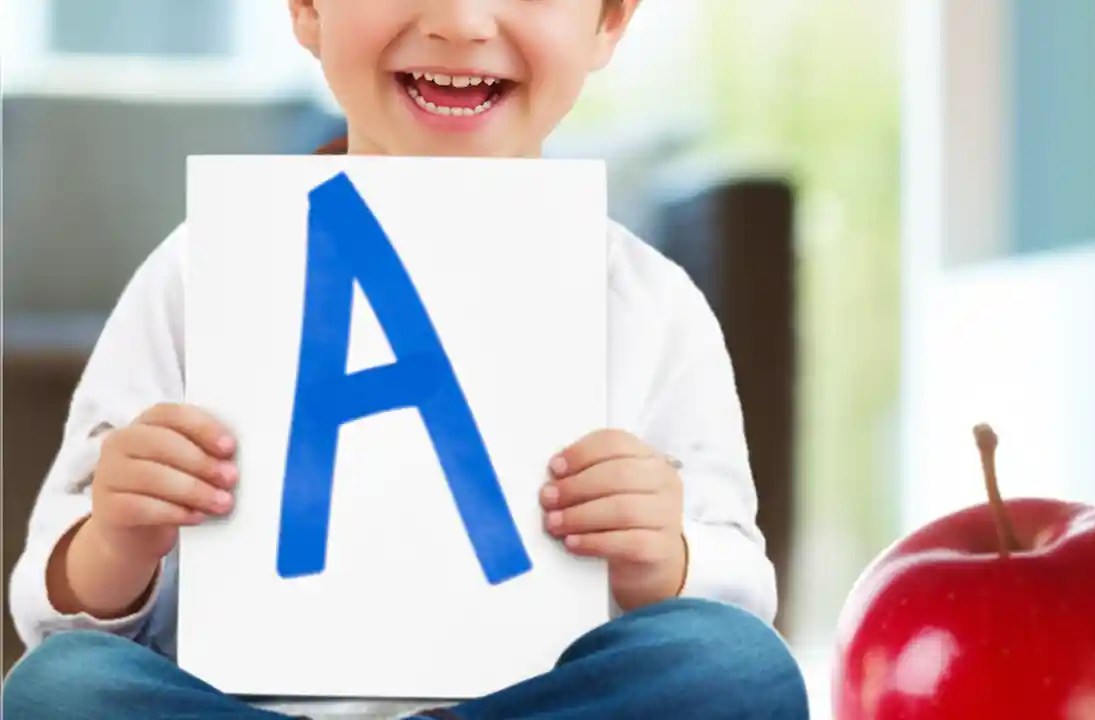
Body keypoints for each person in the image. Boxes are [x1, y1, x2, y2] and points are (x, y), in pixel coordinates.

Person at [3, 2, 809, 718]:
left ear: (611, 20)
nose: (460, 21)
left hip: (538, 699)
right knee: (63, 689)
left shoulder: (651, 303)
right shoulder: (204, 268)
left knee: (735, 668)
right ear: (307, 8)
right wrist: (118, 538)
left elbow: (737, 594)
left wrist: (666, 558)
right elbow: (55, 612)